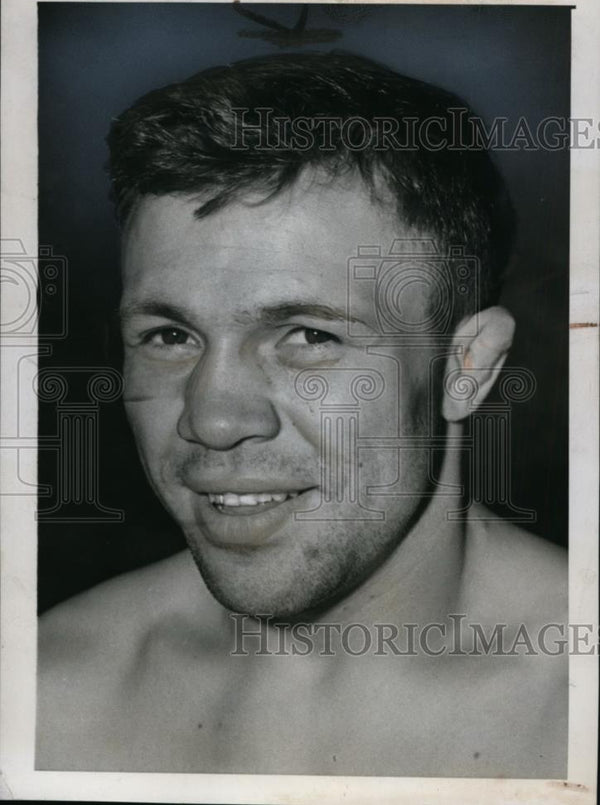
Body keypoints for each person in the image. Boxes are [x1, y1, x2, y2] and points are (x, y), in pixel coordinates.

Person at [37, 52, 567, 777]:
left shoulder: (570, 706)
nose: (213, 420)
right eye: (170, 336)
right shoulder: (47, 692)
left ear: (466, 366)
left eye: (310, 336)